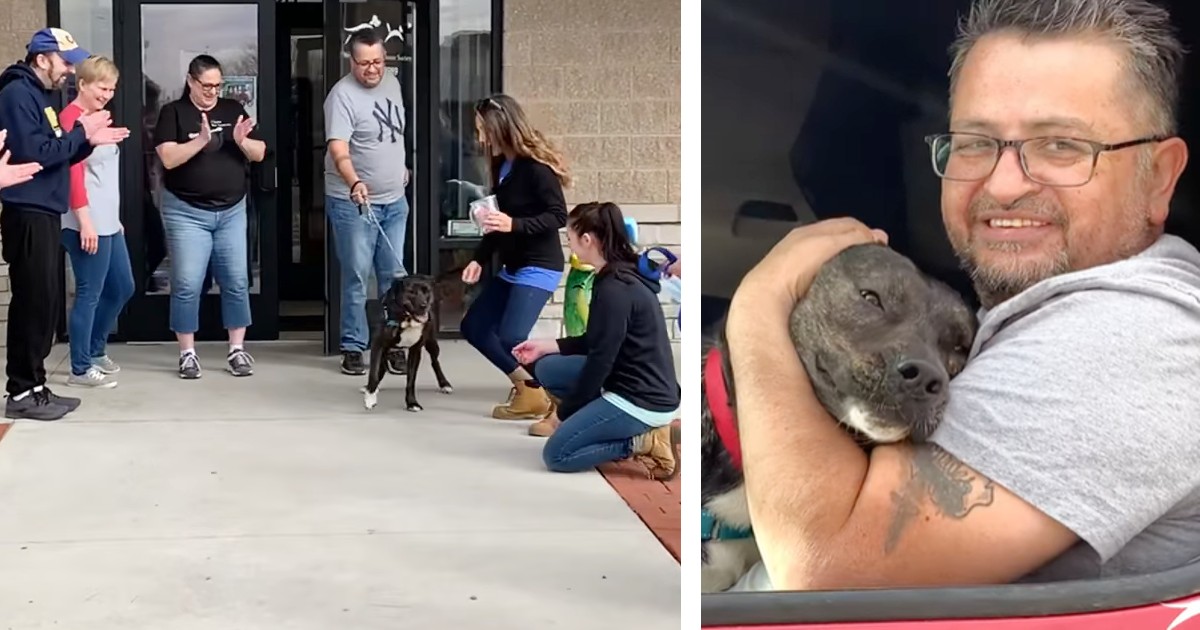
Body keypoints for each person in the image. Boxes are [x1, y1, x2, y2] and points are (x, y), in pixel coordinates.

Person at [724, 0, 1200, 591]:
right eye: (975, 143)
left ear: (1158, 176)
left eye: (1060, 146)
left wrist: (756, 306)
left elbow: (823, 569)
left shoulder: (1139, 333)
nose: (1003, 185)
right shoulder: (1038, 325)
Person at [0, 28, 129, 420]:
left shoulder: (43, 98)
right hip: (27, 210)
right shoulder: (17, 95)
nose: (70, 71)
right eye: (66, 62)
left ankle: (36, 386)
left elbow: (58, 152)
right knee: (32, 303)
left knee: (44, 303)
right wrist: (81, 134)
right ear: (42, 58)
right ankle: (21, 392)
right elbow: (36, 153)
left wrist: (86, 141)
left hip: (43, 211)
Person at [512, 202, 680, 479]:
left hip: (641, 399)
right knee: (547, 367)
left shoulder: (616, 289)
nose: (569, 245)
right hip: (627, 379)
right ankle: (596, 422)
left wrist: (564, 414)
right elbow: (597, 341)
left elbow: (600, 361)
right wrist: (548, 345)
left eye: (569, 238)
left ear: (587, 239)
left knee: (558, 454)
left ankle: (645, 441)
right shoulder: (617, 272)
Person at [153, 54, 266, 379]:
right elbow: (169, 159)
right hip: (187, 211)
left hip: (231, 210)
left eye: (218, 86)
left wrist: (242, 141)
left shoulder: (232, 110)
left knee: (236, 280)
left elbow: (259, 153)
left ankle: (237, 350)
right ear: (190, 81)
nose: (212, 92)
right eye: (207, 86)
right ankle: (187, 353)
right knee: (187, 282)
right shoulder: (173, 112)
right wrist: (201, 141)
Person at [460, 93, 569, 421]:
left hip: (540, 266)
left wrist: (515, 223)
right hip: (514, 266)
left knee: (510, 337)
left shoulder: (535, 170)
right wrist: (479, 258)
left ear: (500, 126)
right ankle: (529, 391)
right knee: (475, 327)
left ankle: (568, 392)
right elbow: (498, 222)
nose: (479, 137)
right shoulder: (501, 165)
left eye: (483, 129)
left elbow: (558, 215)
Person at [323, 29, 411, 377]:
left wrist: (399, 166)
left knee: (394, 276)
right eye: (364, 64)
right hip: (353, 202)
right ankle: (353, 346)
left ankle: (393, 345)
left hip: (394, 200)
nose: (372, 69)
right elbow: (338, 149)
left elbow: (390, 133)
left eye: (377, 61)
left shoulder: (392, 82)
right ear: (352, 62)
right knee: (359, 276)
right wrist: (355, 181)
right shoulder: (342, 95)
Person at [60, 56, 135, 389]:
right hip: (84, 222)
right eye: (102, 87)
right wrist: (85, 221)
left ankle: (95, 349)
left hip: (108, 222)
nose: (108, 94)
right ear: (83, 85)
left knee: (122, 287)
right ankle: (79, 368)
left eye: (112, 89)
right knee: (90, 292)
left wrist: (114, 219)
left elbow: (103, 175)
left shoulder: (99, 118)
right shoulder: (71, 119)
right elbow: (73, 174)